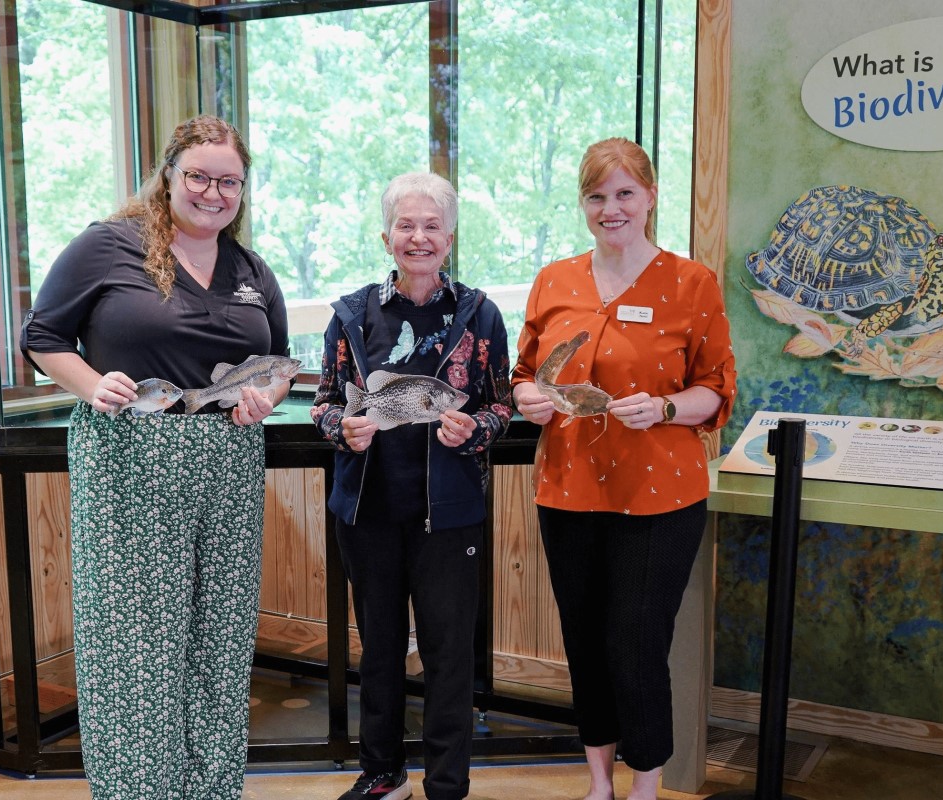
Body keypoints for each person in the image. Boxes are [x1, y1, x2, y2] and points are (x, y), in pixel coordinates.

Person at [20, 115, 291, 800]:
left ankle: (210, 789)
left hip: (228, 460)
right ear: (167, 173)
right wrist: (92, 384)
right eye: (198, 175)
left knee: (221, 641)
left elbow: (278, 362)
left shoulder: (250, 268)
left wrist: (266, 391)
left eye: (228, 181)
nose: (212, 191)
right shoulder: (109, 246)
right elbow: (42, 337)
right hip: (133, 456)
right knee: (136, 648)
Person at [511, 137, 736, 800]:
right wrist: (528, 398)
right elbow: (526, 375)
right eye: (596, 196)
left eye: (624, 194)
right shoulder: (554, 280)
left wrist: (665, 407)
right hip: (568, 491)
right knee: (583, 640)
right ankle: (600, 781)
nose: (611, 209)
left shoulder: (692, 283)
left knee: (635, 646)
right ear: (584, 203)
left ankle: (647, 783)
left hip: (659, 498)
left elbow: (717, 391)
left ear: (650, 196)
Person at [311, 171, 512, 800]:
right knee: (378, 651)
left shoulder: (479, 315)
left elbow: (502, 406)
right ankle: (382, 772)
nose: (418, 237)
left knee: (449, 654)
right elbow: (323, 404)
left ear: (449, 239)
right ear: (386, 235)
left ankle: (447, 782)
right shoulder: (351, 314)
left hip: (448, 515)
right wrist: (345, 429)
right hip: (367, 509)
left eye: (432, 227)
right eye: (406, 225)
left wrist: (471, 429)